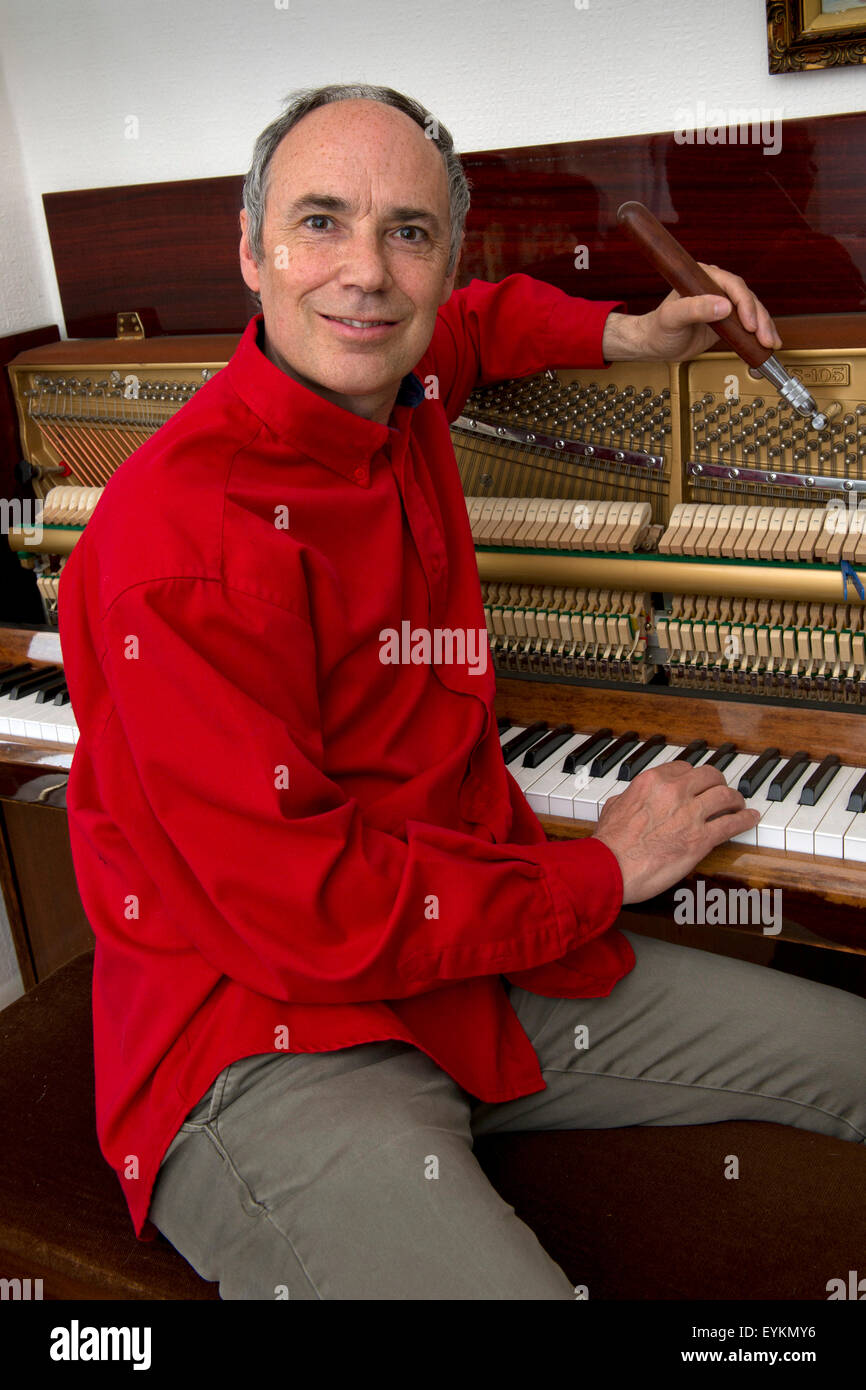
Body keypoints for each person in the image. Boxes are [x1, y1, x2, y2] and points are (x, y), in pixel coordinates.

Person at [58, 83, 866, 1300]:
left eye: (409, 234)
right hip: (269, 1035)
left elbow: (483, 326)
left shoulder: (403, 367)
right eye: (319, 223)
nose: (365, 275)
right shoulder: (179, 548)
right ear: (249, 249)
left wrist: (626, 337)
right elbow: (312, 910)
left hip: (464, 974)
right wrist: (602, 870)